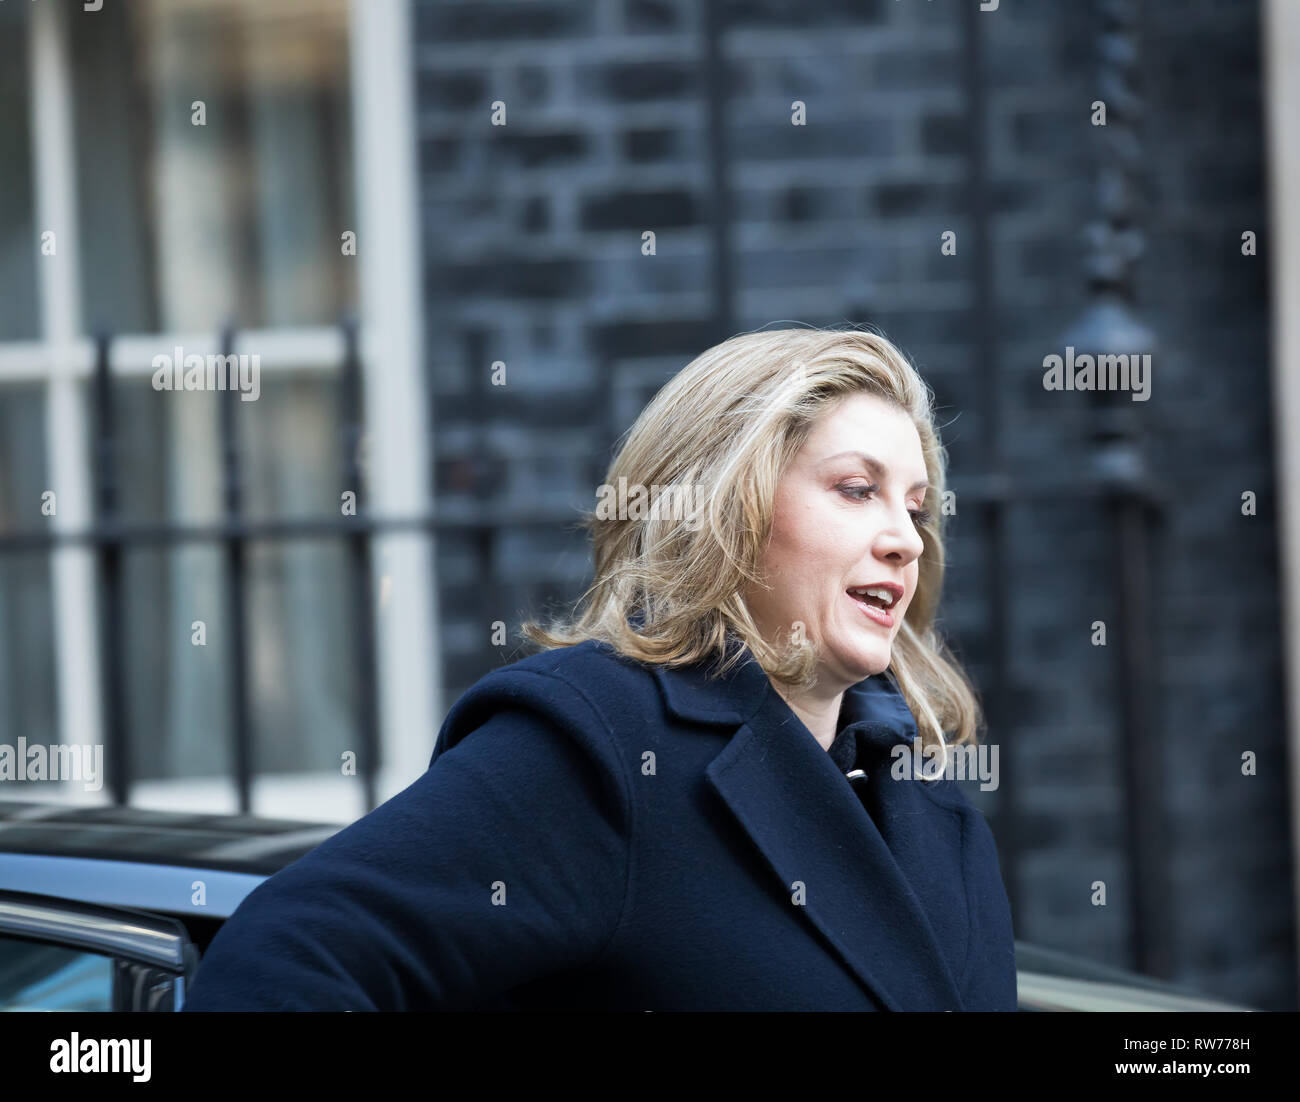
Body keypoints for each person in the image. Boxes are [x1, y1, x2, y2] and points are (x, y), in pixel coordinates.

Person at [183, 326, 1017, 1012]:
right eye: (855, 490)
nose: (906, 538)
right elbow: (282, 964)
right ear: (728, 505)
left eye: (915, 506)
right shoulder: (605, 746)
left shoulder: (932, 800)